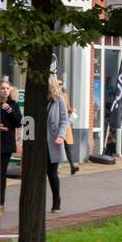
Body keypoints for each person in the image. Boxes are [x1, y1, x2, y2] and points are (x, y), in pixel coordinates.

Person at [46, 76, 70, 214]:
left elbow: (64, 119)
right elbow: (29, 119)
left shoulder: (58, 99)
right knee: (37, 174)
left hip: (53, 140)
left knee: (52, 173)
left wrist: (61, 136)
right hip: (37, 142)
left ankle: (56, 202)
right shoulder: (35, 98)